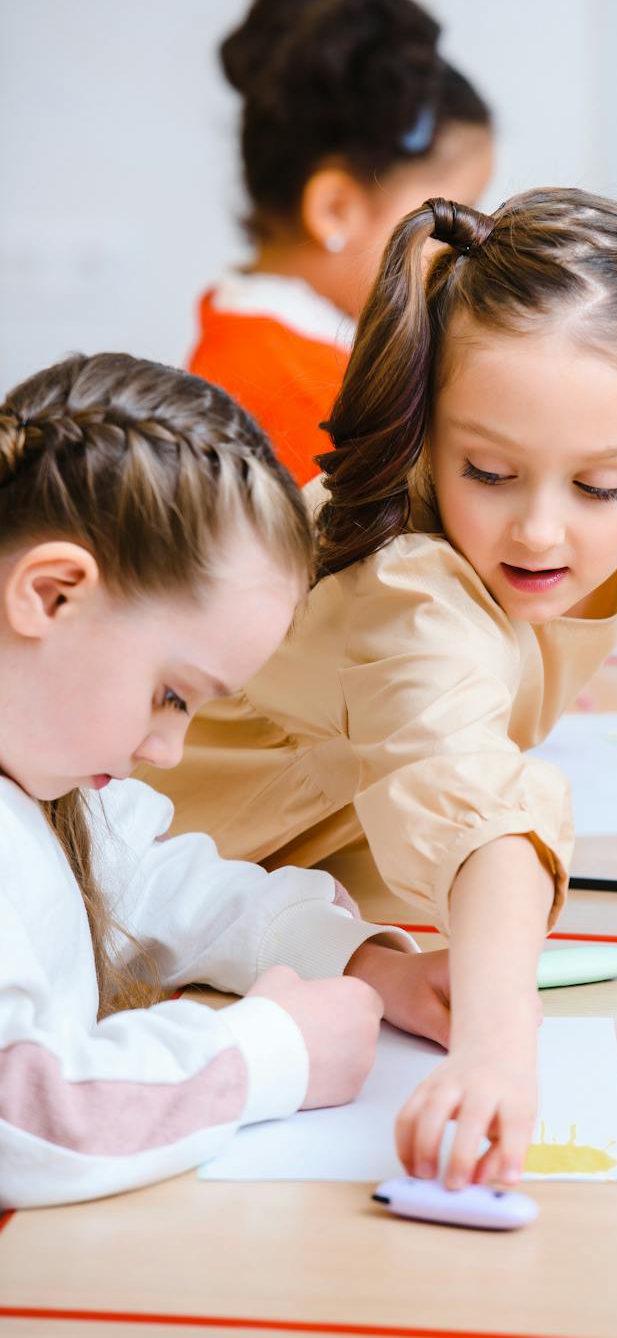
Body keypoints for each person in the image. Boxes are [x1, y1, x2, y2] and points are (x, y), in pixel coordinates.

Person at [150, 188, 617, 1194]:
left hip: (276, 912)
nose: (540, 533)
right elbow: (481, 820)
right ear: (428, 432)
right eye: (487, 470)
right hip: (156, 905)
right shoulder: (407, 592)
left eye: (600, 488)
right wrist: (496, 1049)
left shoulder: (613, 454)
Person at [0, 353, 451, 1209]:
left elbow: (154, 880)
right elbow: (24, 1123)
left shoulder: (45, 775)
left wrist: (361, 962)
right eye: (171, 695)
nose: (169, 748)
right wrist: (268, 1055)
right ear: (52, 595)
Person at [190, 0, 494, 485]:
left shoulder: (251, 332)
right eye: (449, 223)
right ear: (336, 209)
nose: (473, 246)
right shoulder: (309, 398)